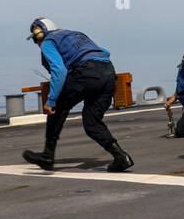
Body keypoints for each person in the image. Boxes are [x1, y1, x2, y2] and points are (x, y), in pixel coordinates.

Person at [22, 17, 134, 173]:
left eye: (36, 39)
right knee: (91, 122)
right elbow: (104, 52)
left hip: (85, 72)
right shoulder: (77, 34)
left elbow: (59, 71)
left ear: (41, 34)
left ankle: (48, 156)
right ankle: (121, 157)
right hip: (108, 72)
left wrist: (51, 100)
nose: (37, 43)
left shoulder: (48, 42)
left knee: (56, 109)